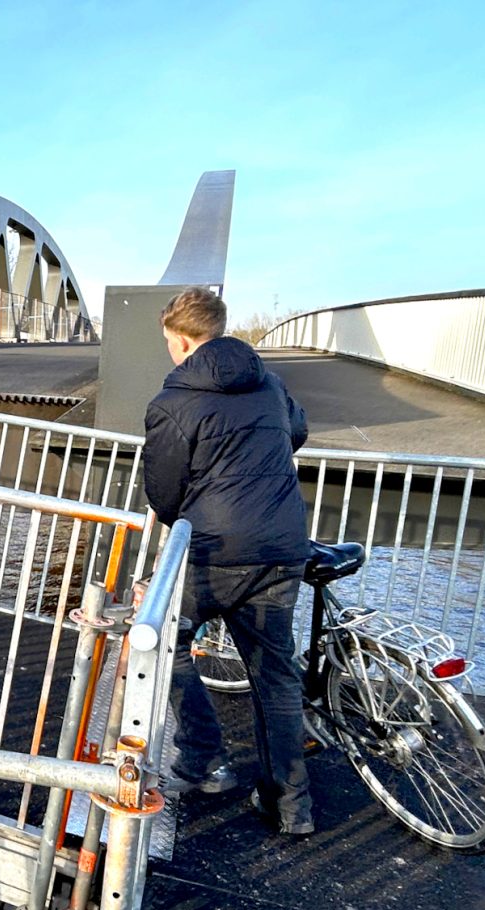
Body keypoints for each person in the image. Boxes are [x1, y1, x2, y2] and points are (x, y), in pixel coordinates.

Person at [143, 287, 314, 836]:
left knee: (161, 647)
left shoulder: (173, 403)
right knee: (276, 681)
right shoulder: (271, 383)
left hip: (215, 553)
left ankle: (204, 761)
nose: (171, 353)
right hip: (282, 547)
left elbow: (163, 494)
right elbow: (298, 432)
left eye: (171, 343)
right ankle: (292, 808)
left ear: (186, 340)